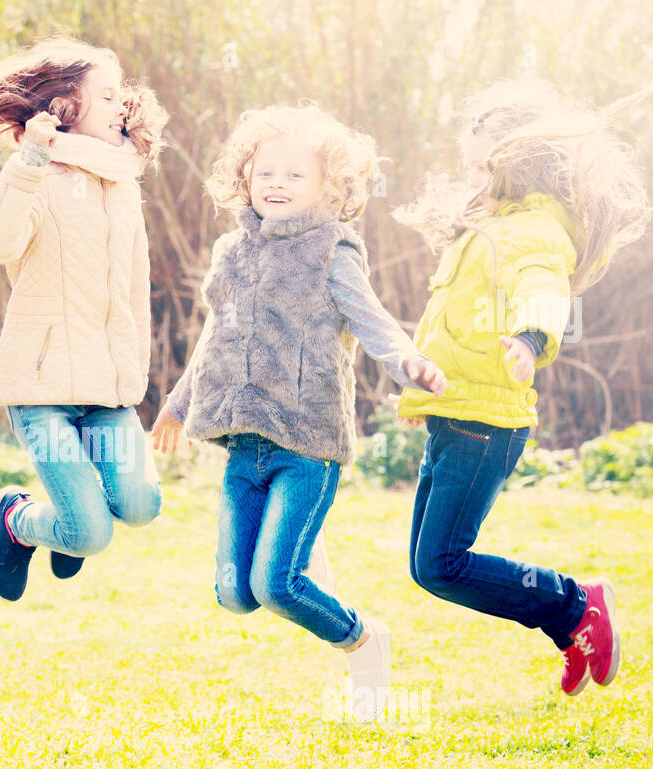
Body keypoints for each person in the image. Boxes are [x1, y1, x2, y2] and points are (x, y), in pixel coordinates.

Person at [152, 104, 446, 723]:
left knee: (277, 587)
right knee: (235, 594)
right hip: (242, 444)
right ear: (245, 177)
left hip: (306, 445)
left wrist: (409, 363)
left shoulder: (332, 250)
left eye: (294, 175)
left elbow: (369, 318)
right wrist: (178, 405)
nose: (277, 185)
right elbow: (214, 335)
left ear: (328, 188)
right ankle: (302, 551)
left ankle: (364, 639)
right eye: (266, 173)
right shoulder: (232, 251)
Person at [392, 78, 651, 695]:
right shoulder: (495, 224)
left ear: (521, 162)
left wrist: (531, 339)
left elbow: (543, 289)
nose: (473, 177)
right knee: (429, 566)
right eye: (470, 166)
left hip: (485, 425)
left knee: (441, 565)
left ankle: (572, 605)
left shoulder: (535, 230)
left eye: (484, 166)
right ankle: (571, 623)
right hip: (457, 416)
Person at [0, 38, 169, 601]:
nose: (120, 106)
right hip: (43, 390)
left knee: (141, 504)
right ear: (64, 106)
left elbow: (133, 291)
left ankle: (68, 526)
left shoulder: (124, 187)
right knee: (90, 533)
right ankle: (20, 519)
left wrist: (133, 378)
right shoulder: (35, 173)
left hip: (108, 393)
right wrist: (29, 162)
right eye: (106, 95)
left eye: (121, 96)